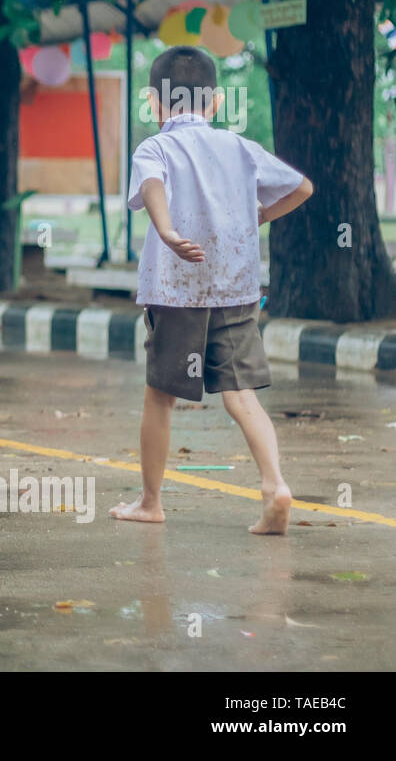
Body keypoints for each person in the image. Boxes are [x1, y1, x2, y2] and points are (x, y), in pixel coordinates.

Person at [111, 45, 313, 535]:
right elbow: (302, 187)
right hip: (236, 287)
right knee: (242, 396)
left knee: (160, 396)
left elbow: (154, 185)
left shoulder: (153, 147)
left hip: (175, 290)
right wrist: (262, 214)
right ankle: (274, 487)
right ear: (216, 103)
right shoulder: (240, 147)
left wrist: (166, 231)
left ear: (155, 105)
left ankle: (151, 502)